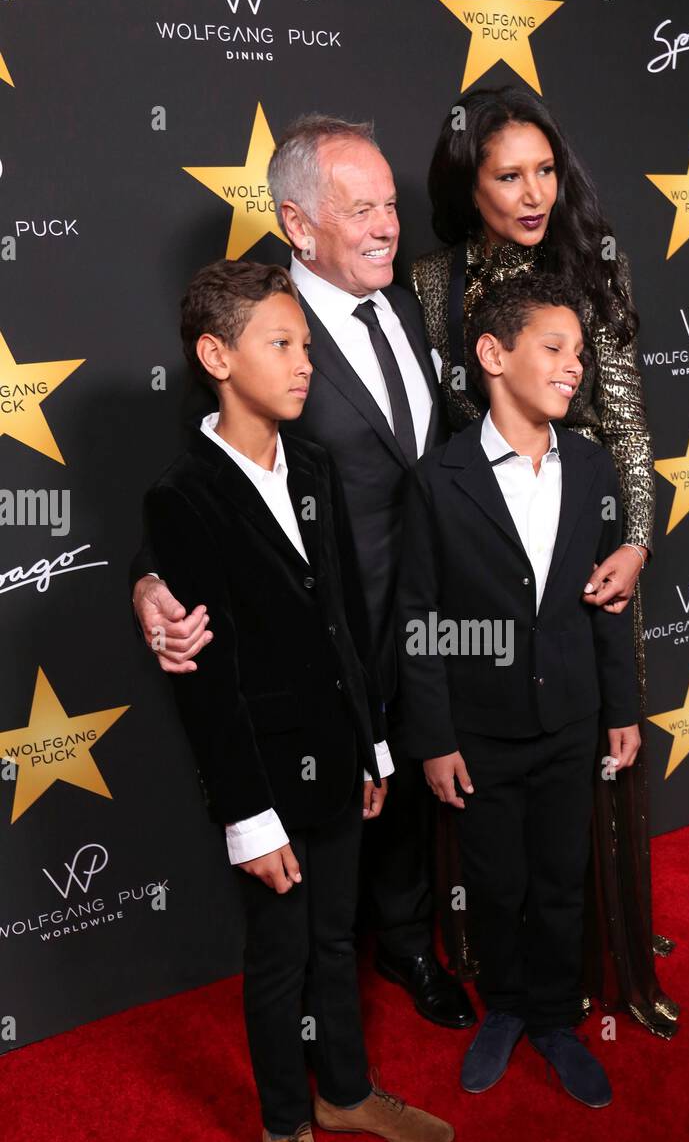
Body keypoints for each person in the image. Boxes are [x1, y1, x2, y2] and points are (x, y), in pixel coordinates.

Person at [130, 114, 474, 1032]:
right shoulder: (265, 334)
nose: (387, 226)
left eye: (391, 206)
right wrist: (148, 584)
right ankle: (335, 986)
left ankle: (407, 946)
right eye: (361, 209)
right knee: (339, 815)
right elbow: (201, 482)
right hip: (329, 630)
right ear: (298, 223)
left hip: (429, 613)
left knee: (408, 788)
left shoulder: (408, 304)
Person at [142, 259, 453, 1142]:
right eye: (282, 344)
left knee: (334, 937)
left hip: (340, 761)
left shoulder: (312, 466)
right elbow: (209, 683)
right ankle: (287, 1122)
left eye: (307, 345)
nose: (303, 362)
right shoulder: (182, 498)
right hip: (266, 783)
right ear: (216, 356)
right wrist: (246, 815)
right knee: (279, 958)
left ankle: (346, 1089)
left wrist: (372, 749)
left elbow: (349, 626)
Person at [410, 85, 679, 1038]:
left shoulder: (592, 268)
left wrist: (637, 541)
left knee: (594, 756)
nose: (533, 193)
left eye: (545, 170)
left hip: (592, 542)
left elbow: (632, 429)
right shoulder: (435, 283)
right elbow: (435, 430)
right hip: (484, 542)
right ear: (466, 181)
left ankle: (608, 955)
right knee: (490, 771)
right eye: (507, 174)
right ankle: (495, 969)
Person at [397, 273, 640, 1105]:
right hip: (482, 730)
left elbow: (608, 599)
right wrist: (431, 737)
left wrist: (620, 710)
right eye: (554, 348)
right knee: (496, 882)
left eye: (579, 353)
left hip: (572, 719)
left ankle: (553, 1020)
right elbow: (419, 619)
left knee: (561, 876)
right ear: (493, 355)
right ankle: (502, 1005)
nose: (575, 368)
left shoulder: (595, 465)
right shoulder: (440, 480)